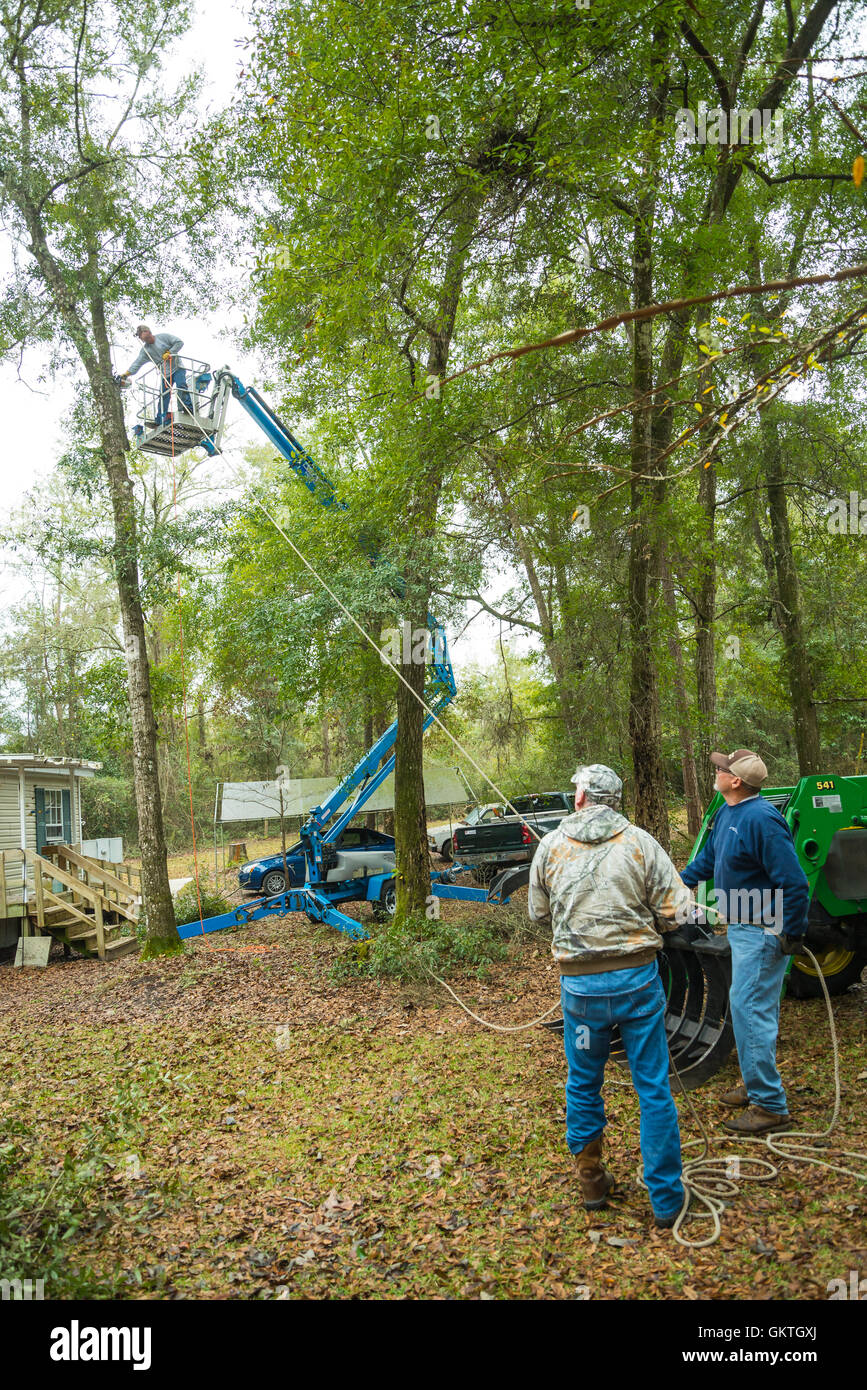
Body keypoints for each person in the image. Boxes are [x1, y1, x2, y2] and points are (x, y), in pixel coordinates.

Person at [528, 764, 695, 1229]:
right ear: (613, 800)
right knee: (653, 1087)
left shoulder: (549, 846)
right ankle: (666, 1199)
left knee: (583, 1082)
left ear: (581, 797)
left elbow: (539, 913)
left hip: (580, 992)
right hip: (638, 985)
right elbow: (678, 911)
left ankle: (591, 1180)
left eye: (574, 789)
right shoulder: (641, 843)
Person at [679, 748, 809, 1136]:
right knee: (745, 1005)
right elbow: (710, 859)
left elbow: (795, 882)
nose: (715, 772)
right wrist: (680, 880)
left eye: (720, 769)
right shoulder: (725, 813)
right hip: (740, 925)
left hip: (764, 930)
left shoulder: (763, 819)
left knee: (752, 1011)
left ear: (735, 780)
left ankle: (770, 1105)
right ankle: (756, 1085)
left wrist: (793, 933)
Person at [119, 325, 192, 425]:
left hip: (177, 367)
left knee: (181, 386)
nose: (147, 341)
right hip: (165, 374)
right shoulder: (146, 351)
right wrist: (127, 373)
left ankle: (188, 409)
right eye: (145, 340)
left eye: (147, 338)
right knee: (163, 395)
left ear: (149, 332)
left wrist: (170, 352)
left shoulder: (163, 337)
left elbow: (179, 342)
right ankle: (159, 419)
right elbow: (137, 363)